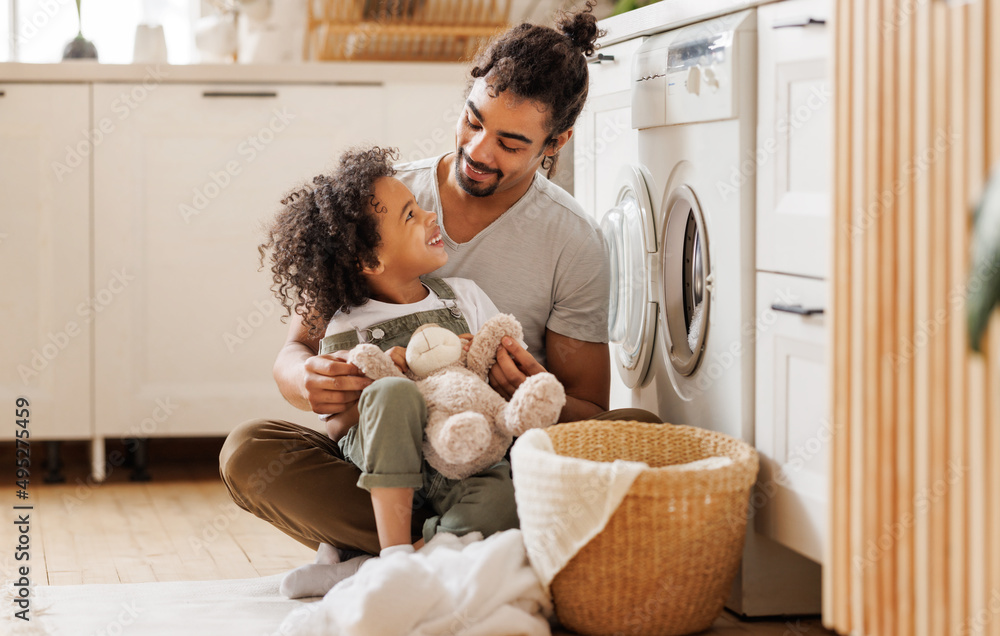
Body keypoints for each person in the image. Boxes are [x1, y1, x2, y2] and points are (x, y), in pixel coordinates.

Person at [219, 0, 659, 594]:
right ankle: (463, 549)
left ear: (556, 141)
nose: (478, 150)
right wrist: (309, 378)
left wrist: (524, 389)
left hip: (490, 455)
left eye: (509, 141)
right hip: (377, 457)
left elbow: (591, 415)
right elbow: (294, 351)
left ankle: (407, 554)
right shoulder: (388, 199)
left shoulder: (573, 242)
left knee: (641, 433)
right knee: (249, 451)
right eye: (473, 120)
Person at [259, 144, 519, 597]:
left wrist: (481, 361)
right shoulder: (346, 323)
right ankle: (398, 552)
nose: (429, 216)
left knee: (504, 500)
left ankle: (372, 567)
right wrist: (377, 383)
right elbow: (339, 427)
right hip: (382, 479)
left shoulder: (465, 298)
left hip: (460, 458)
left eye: (419, 207)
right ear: (371, 262)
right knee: (394, 396)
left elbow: (498, 384)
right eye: (410, 216)